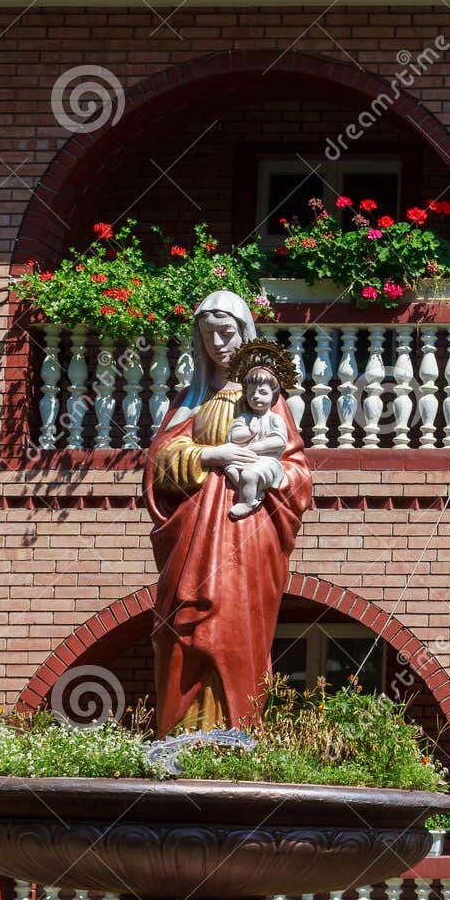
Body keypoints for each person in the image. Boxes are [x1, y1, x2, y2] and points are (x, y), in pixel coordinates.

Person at [143, 292, 313, 734]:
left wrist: (266, 471)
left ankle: (236, 731)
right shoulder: (190, 401)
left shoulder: (267, 400)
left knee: (234, 624)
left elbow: (299, 476)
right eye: (208, 335)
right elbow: (159, 465)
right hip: (193, 530)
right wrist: (212, 455)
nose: (218, 343)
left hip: (245, 534)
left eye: (227, 332)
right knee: (178, 624)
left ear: (244, 333)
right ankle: (179, 734)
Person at [223, 343, 294, 520]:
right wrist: (249, 432)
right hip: (246, 459)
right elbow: (233, 437)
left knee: (248, 474)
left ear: (273, 395)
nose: (256, 396)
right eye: (251, 393)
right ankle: (253, 494)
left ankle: (246, 502)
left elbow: (279, 442)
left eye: (262, 392)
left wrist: (253, 448)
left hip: (267, 461)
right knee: (230, 469)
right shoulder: (244, 418)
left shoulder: (274, 419)